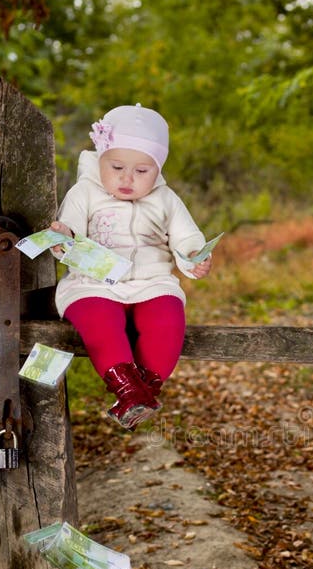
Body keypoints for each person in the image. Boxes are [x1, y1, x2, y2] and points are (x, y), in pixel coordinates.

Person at [51, 103, 211, 429]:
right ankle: (126, 388)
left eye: (142, 172)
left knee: (167, 320)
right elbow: (67, 230)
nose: (127, 178)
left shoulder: (166, 199)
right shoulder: (85, 192)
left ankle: (143, 392)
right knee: (100, 323)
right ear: (100, 160)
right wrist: (63, 237)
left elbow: (186, 235)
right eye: (117, 167)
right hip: (93, 284)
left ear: (157, 170)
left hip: (152, 282)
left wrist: (194, 256)